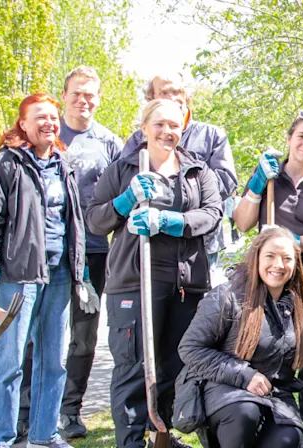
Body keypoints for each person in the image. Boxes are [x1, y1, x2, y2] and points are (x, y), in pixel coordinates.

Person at [86, 98, 224, 448]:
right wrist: (124, 201)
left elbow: (211, 214)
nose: (167, 131)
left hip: (185, 287)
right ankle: (131, 442)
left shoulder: (197, 171)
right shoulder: (123, 169)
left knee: (173, 369)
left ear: (184, 129)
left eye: (174, 125)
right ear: (144, 127)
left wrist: (170, 221)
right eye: (159, 124)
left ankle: (163, 439)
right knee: (134, 371)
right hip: (135, 284)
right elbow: (95, 220)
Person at [0, 93, 88, 448]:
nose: (49, 123)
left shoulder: (64, 166)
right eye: (40, 117)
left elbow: (73, 224)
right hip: (18, 277)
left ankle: (44, 434)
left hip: (59, 274)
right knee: (10, 363)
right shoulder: (3, 165)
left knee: (54, 362)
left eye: (53, 117)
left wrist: (82, 276)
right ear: (22, 123)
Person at [16, 66, 124, 441]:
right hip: (43, 253)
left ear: (98, 98)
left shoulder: (110, 142)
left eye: (91, 94)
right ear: (64, 96)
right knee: (36, 336)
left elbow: (117, 200)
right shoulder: (43, 132)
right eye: (77, 93)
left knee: (83, 337)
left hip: (92, 253)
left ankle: (70, 411)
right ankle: (25, 412)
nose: (84, 100)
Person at [232, 111, 303, 446]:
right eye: (302, 137)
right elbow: (242, 223)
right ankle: (262, 408)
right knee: (262, 342)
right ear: (289, 139)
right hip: (269, 274)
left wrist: (290, 240)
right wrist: (254, 189)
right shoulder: (268, 177)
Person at [178, 226, 303, 448]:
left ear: (296, 264)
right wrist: (245, 375)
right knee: (245, 413)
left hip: (276, 393)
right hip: (225, 387)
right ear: (256, 257)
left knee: (289, 439)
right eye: (270, 256)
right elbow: (190, 349)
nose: (279, 265)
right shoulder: (227, 296)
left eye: (287, 258)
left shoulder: (301, 301)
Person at [122, 72, 238, 267]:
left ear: (187, 96)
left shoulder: (212, 136)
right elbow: (124, 181)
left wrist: (183, 193)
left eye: (177, 91)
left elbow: (227, 181)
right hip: (150, 241)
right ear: (151, 98)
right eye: (164, 92)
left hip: (200, 242)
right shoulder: (137, 139)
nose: (171, 97)